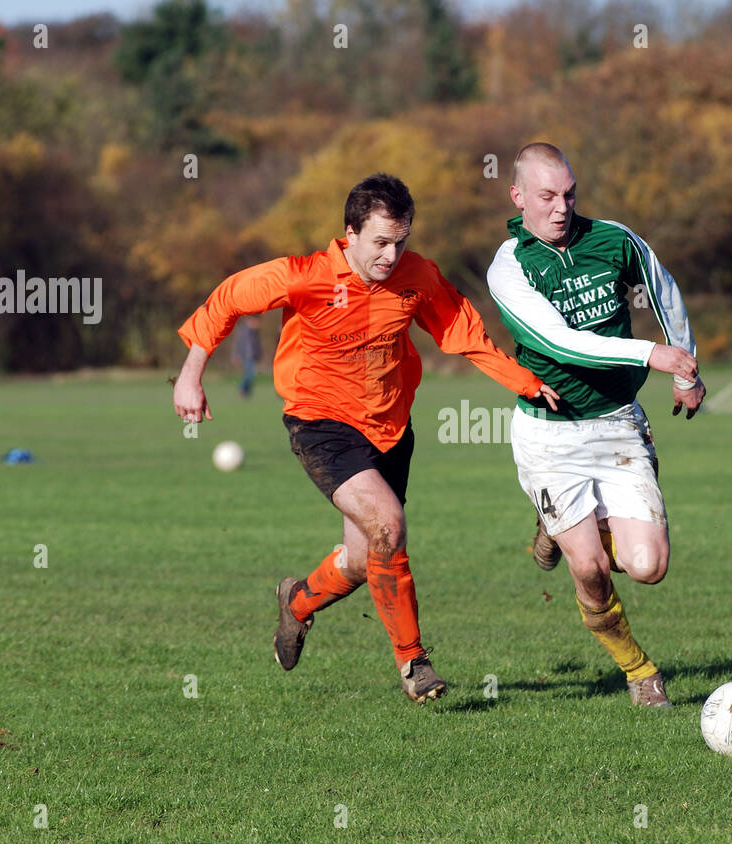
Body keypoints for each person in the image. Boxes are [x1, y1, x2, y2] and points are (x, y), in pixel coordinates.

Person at [173, 173, 558, 704]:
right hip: (320, 421)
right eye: (379, 242)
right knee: (388, 525)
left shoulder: (415, 275)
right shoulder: (305, 276)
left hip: (390, 429)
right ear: (348, 234)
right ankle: (414, 664)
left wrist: (528, 384)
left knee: (362, 557)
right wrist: (192, 374)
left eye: (400, 241)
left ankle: (298, 603)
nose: (390, 254)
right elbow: (228, 299)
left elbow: (462, 333)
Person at [486, 142, 705, 709]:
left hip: (617, 425)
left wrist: (685, 366)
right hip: (550, 436)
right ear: (518, 198)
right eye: (546, 196)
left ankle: (560, 521)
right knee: (589, 567)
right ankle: (638, 670)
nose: (561, 207)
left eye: (569, 193)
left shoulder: (613, 238)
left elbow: (664, 290)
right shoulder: (509, 267)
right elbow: (559, 340)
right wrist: (650, 356)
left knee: (648, 566)